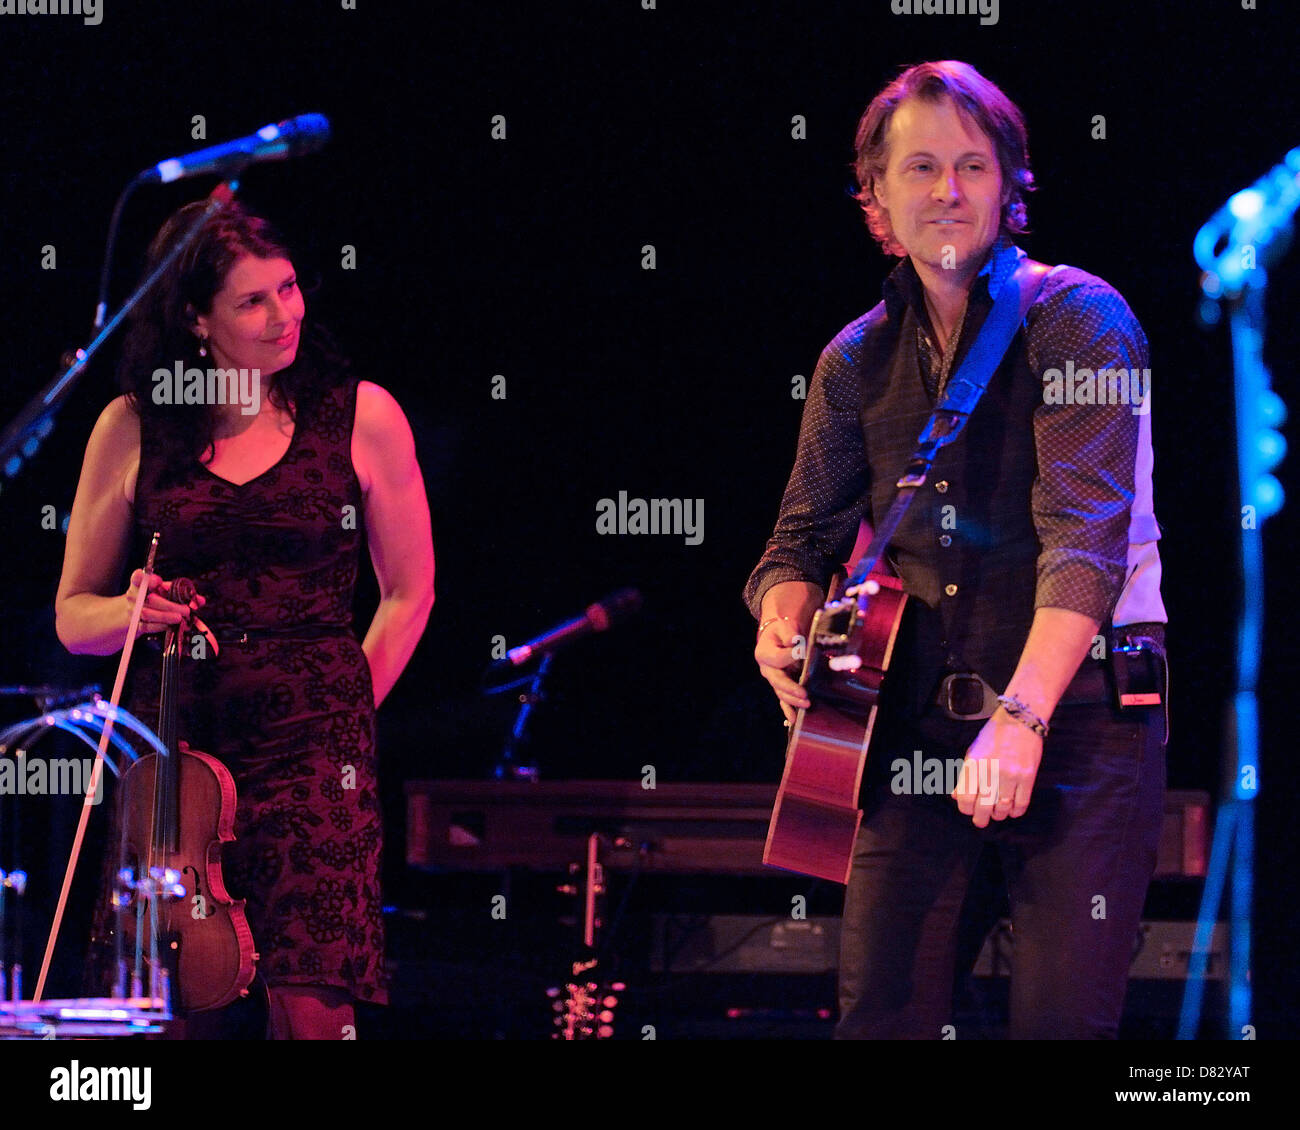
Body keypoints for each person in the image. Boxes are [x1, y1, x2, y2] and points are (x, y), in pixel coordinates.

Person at [745, 60, 1168, 1039]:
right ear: (875, 200)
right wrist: (780, 612)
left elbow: (1084, 540)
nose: (947, 190)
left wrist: (1019, 717)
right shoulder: (856, 356)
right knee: (877, 1015)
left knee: (1061, 1023)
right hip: (916, 724)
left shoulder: (1079, 319)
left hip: (1079, 720)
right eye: (921, 167)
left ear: (1009, 184)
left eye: (972, 166)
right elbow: (797, 538)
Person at [54, 200, 435, 1039]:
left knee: (312, 1004)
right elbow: (73, 619)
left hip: (314, 757)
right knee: (174, 1010)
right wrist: (129, 611)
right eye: (253, 301)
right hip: (178, 759)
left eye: (290, 288)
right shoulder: (131, 428)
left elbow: (410, 592)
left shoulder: (361, 414)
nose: (285, 315)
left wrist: (344, 711)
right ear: (195, 318)